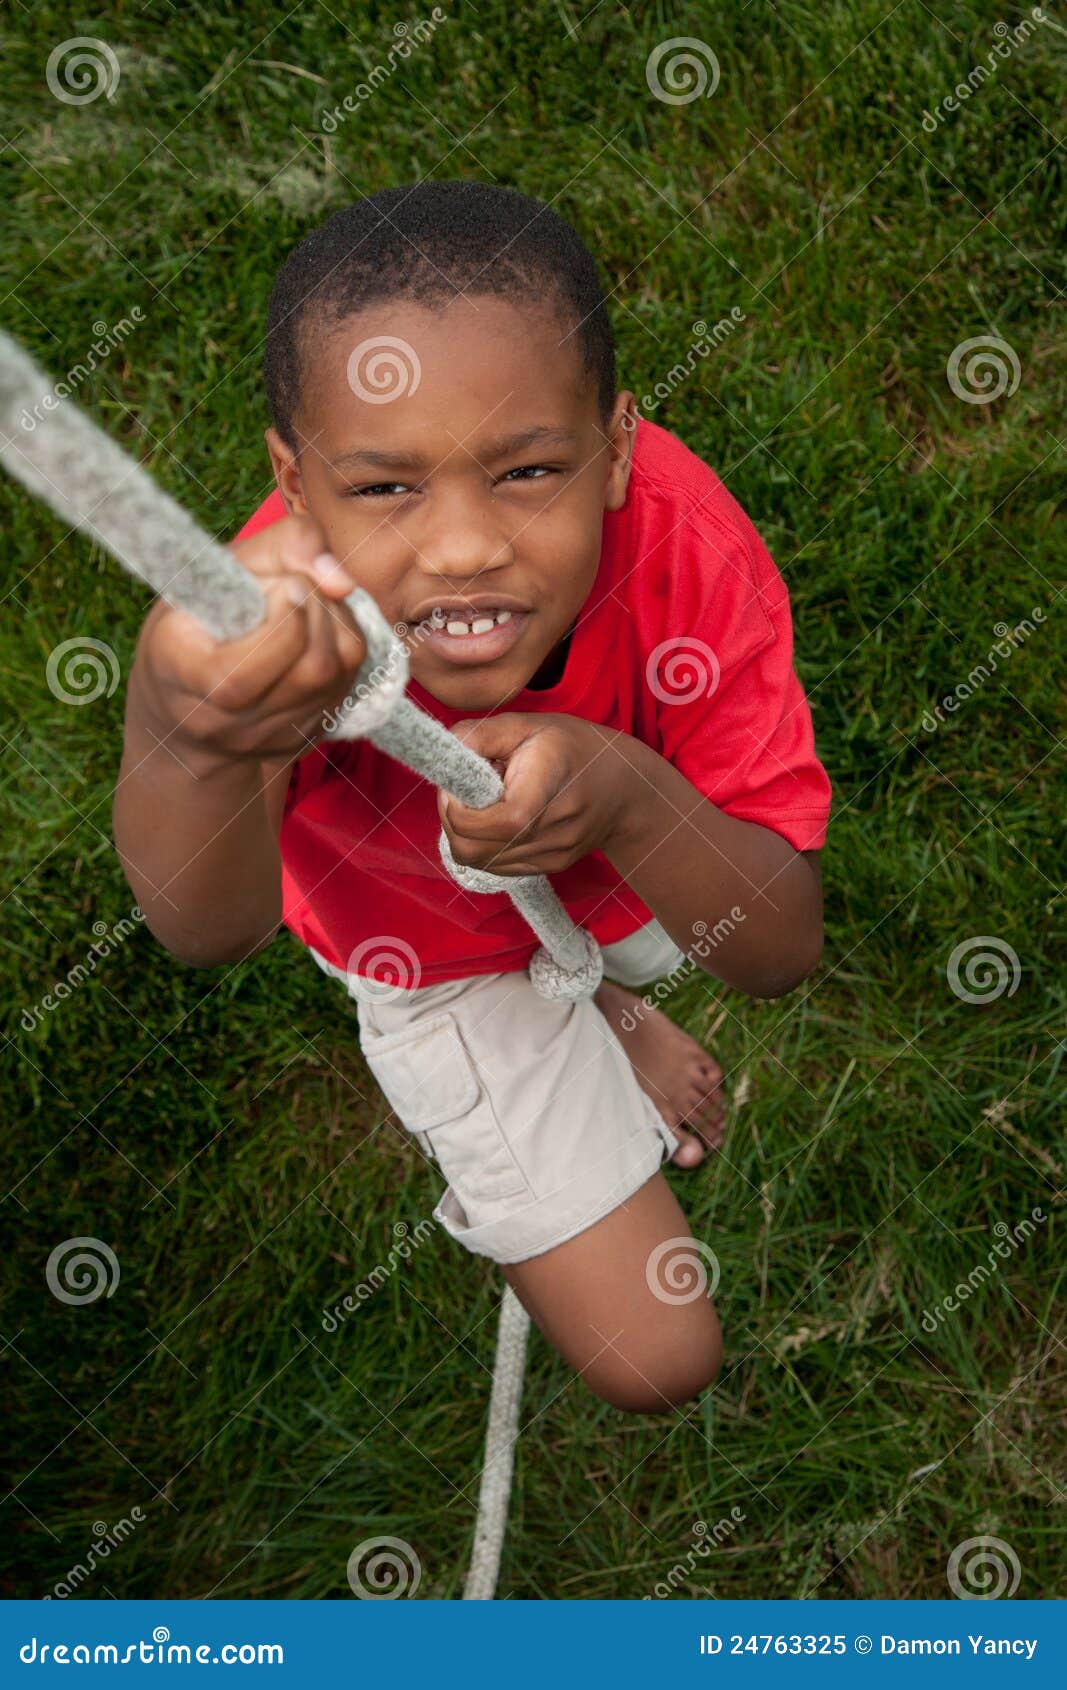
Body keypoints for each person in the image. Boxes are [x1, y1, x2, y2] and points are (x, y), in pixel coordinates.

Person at [114, 180, 830, 1415]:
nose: (459, 548)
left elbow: (773, 949)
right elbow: (207, 929)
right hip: (426, 949)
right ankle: (586, 1011)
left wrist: (626, 800)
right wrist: (191, 743)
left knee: (658, 953)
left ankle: (607, 1000)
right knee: (659, 1357)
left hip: (634, 875)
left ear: (615, 448)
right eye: (385, 488)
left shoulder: (686, 552)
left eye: (527, 468)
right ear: (292, 482)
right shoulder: (265, 631)